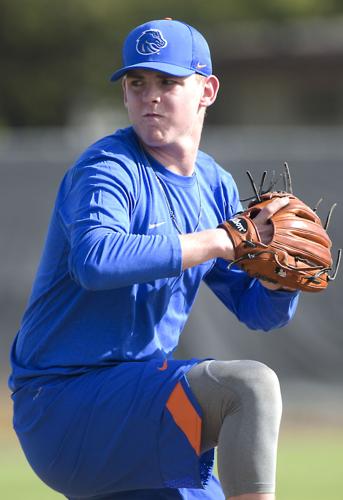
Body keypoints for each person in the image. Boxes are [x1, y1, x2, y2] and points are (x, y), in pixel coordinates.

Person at [9, 18, 300, 500]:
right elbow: (96, 260)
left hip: (137, 404)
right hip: (64, 402)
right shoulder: (107, 168)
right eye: (137, 82)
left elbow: (258, 311)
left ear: (206, 90)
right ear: (124, 94)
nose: (150, 95)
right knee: (248, 387)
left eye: (168, 81)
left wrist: (278, 279)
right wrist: (218, 241)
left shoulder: (213, 186)